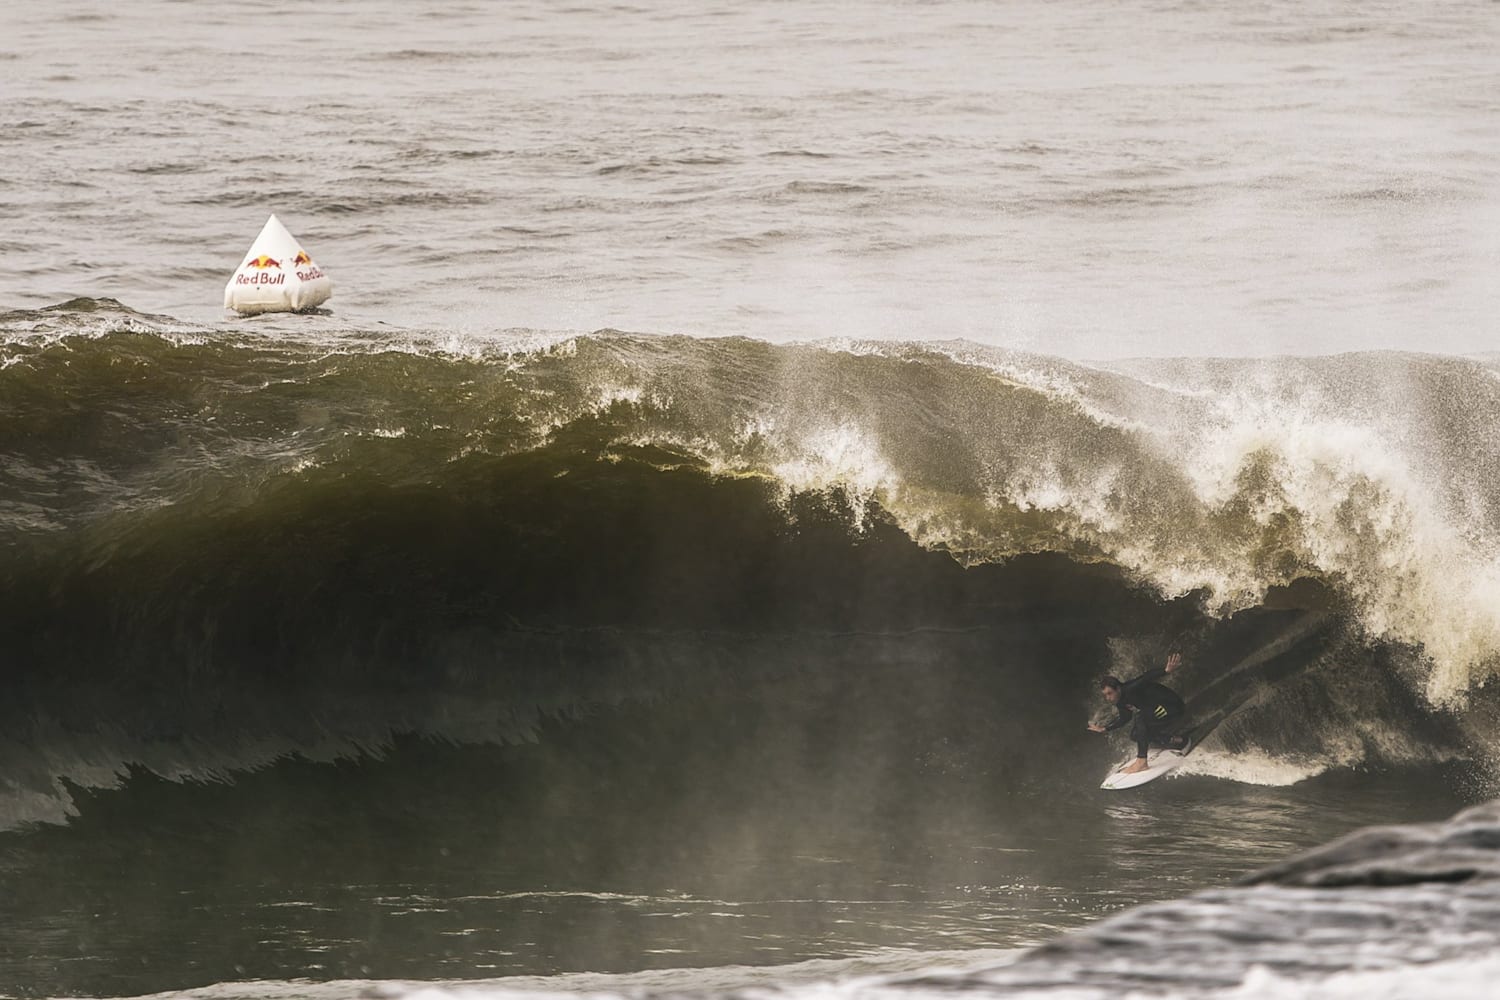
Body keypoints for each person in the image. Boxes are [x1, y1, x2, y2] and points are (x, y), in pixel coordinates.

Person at [1087, 653, 1190, 774]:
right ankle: (1176, 740)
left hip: (1172, 706)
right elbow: (1125, 718)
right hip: (1156, 711)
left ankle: (1142, 762)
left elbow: (1146, 677)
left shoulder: (1130, 688)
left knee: (1141, 718)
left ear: (1118, 689)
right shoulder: (1120, 701)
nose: (1108, 698)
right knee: (1136, 735)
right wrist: (1105, 728)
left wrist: (1165, 670)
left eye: (1109, 693)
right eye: (1105, 695)